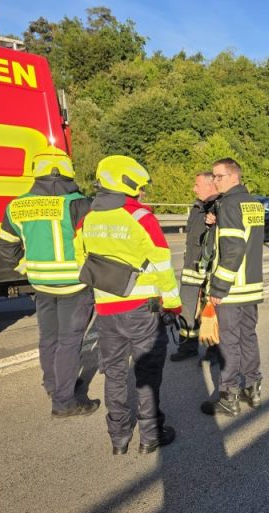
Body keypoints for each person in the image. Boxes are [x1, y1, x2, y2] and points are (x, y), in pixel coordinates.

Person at [74, 155, 181, 455]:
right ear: (126, 184)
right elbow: (162, 264)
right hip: (142, 311)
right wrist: (173, 304)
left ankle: (118, 437)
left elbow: (80, 260)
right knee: (147, 373)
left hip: (106, 311)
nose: (142, 193)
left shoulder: (88, 219)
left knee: (115, 374)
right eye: (139, 187)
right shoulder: (140, 217)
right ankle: (150, 436)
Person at [0, 146, 99, 418]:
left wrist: (25, 267)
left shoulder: (17, 205)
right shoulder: (80, 204)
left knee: (49, 338)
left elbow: (5, 247)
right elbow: (96, 244)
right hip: (74, 285)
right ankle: (64, 402)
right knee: (70, 341)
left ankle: (54, 385)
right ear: (68, 170)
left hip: (40, 284)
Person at [200, 158, 264, 417]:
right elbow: (246, 240)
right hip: (252, 286)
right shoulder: (254, 204)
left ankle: (229, 396)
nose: (214, 181)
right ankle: (253, 387)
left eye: (218, 176)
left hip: (232, 289)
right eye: (213, 177)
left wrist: (218, 287)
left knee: (229, 343)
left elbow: (234, 248)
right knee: (249, 338)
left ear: (233, 176)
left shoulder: (228, 203)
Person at [170, 172, 219, 362]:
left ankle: (213, 351)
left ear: (210, 185)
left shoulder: (219, 206)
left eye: (197, 184)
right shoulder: (197, 207)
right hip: (191, 268)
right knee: (187, 311)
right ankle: (187, 347)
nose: (194, 188)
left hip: (208, 271)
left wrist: (215, 224)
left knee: (210, 313)